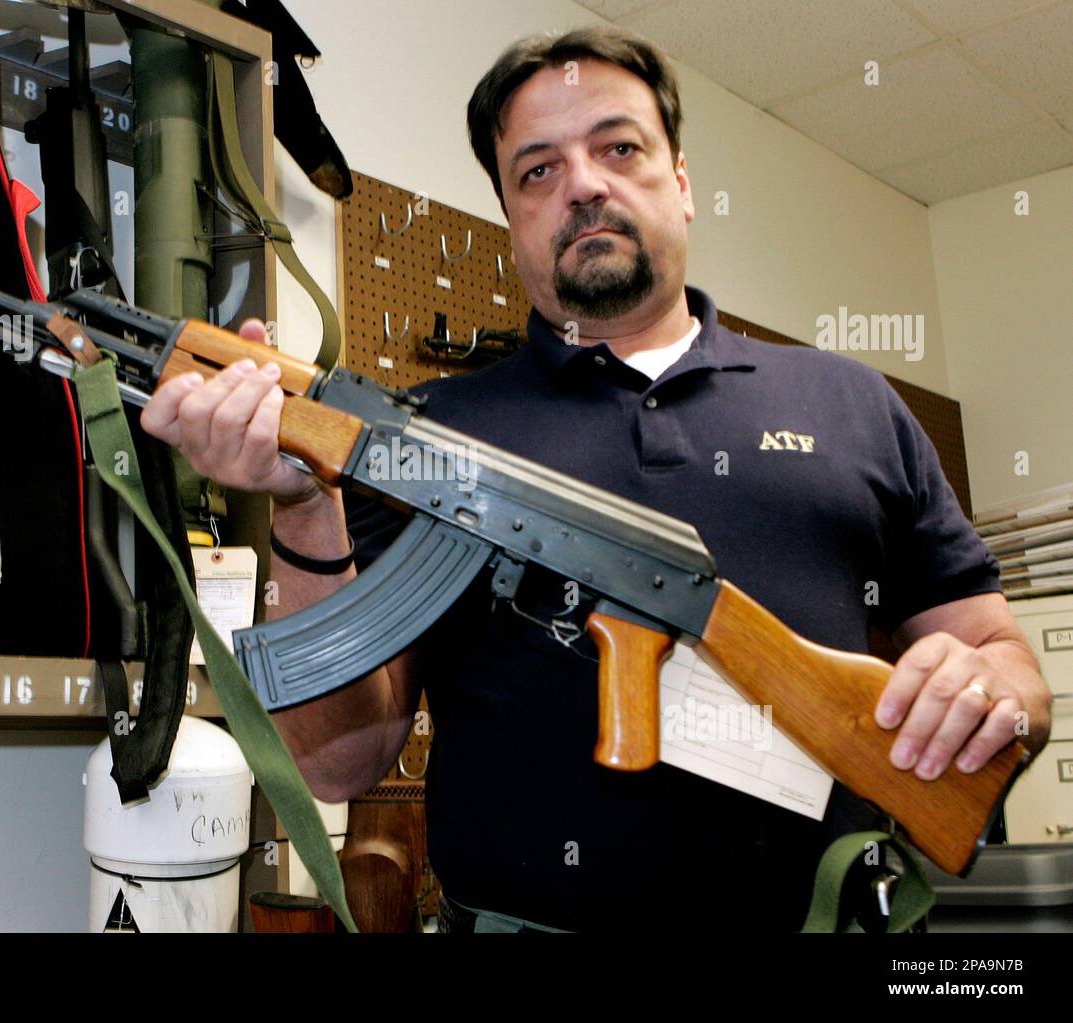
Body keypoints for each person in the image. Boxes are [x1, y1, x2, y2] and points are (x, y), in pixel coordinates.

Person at [141, 26, 1051, 931]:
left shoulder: (851, 402)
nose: (582, 183)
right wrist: (303, 500)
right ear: (512, 217)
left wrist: (990, 695)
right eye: (536, 170)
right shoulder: (437, 434)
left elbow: (1004, 659)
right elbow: (339, 764)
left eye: (618, 147)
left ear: (683, 182)